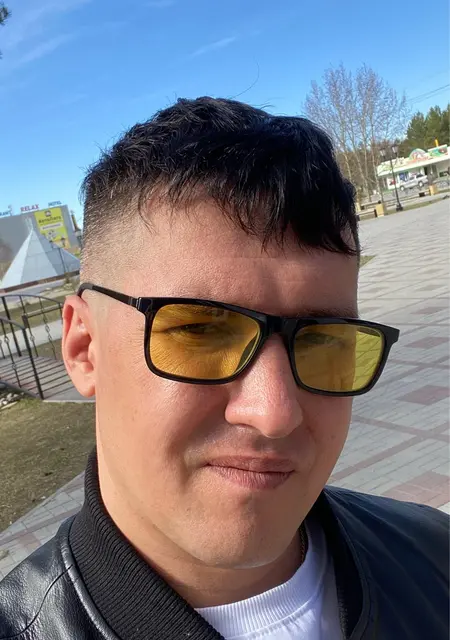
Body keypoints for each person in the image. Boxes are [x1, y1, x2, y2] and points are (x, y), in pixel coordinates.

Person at [0, 97, 448, 640]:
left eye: (324, 339)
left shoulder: (434, 555)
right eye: (200, 330)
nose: (275, 413)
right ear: (84, 347)